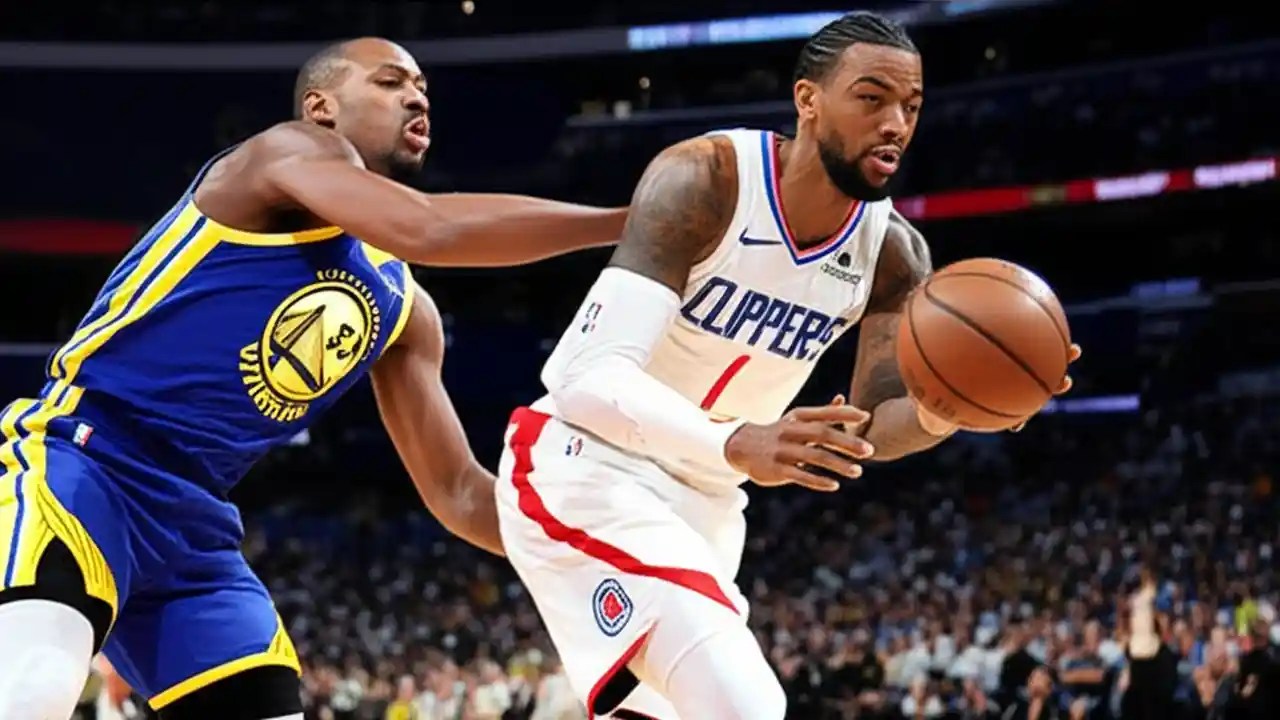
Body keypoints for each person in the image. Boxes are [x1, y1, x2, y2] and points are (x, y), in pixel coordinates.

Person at [0, 37, 626, 720]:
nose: (416, 96)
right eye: (390, 82)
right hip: (83, 462)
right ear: (320, 106)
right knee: (33, 689)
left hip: (192, 524)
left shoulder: (405, 310)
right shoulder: (281, 155)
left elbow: (458, 493)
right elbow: (431, 229)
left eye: (422, 88)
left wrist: (599, 546)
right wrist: (634, 227)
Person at [493, 11, 1079, 719]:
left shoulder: (892, 254)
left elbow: (870, 428)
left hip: (708, 506)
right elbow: (587, 377)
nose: (895, 122)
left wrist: (942, 409)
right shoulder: (705, 182)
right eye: (871, 98)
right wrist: (738, 440)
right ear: (808, 100)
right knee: (750, 707)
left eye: (911, 106)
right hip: (588, 466)